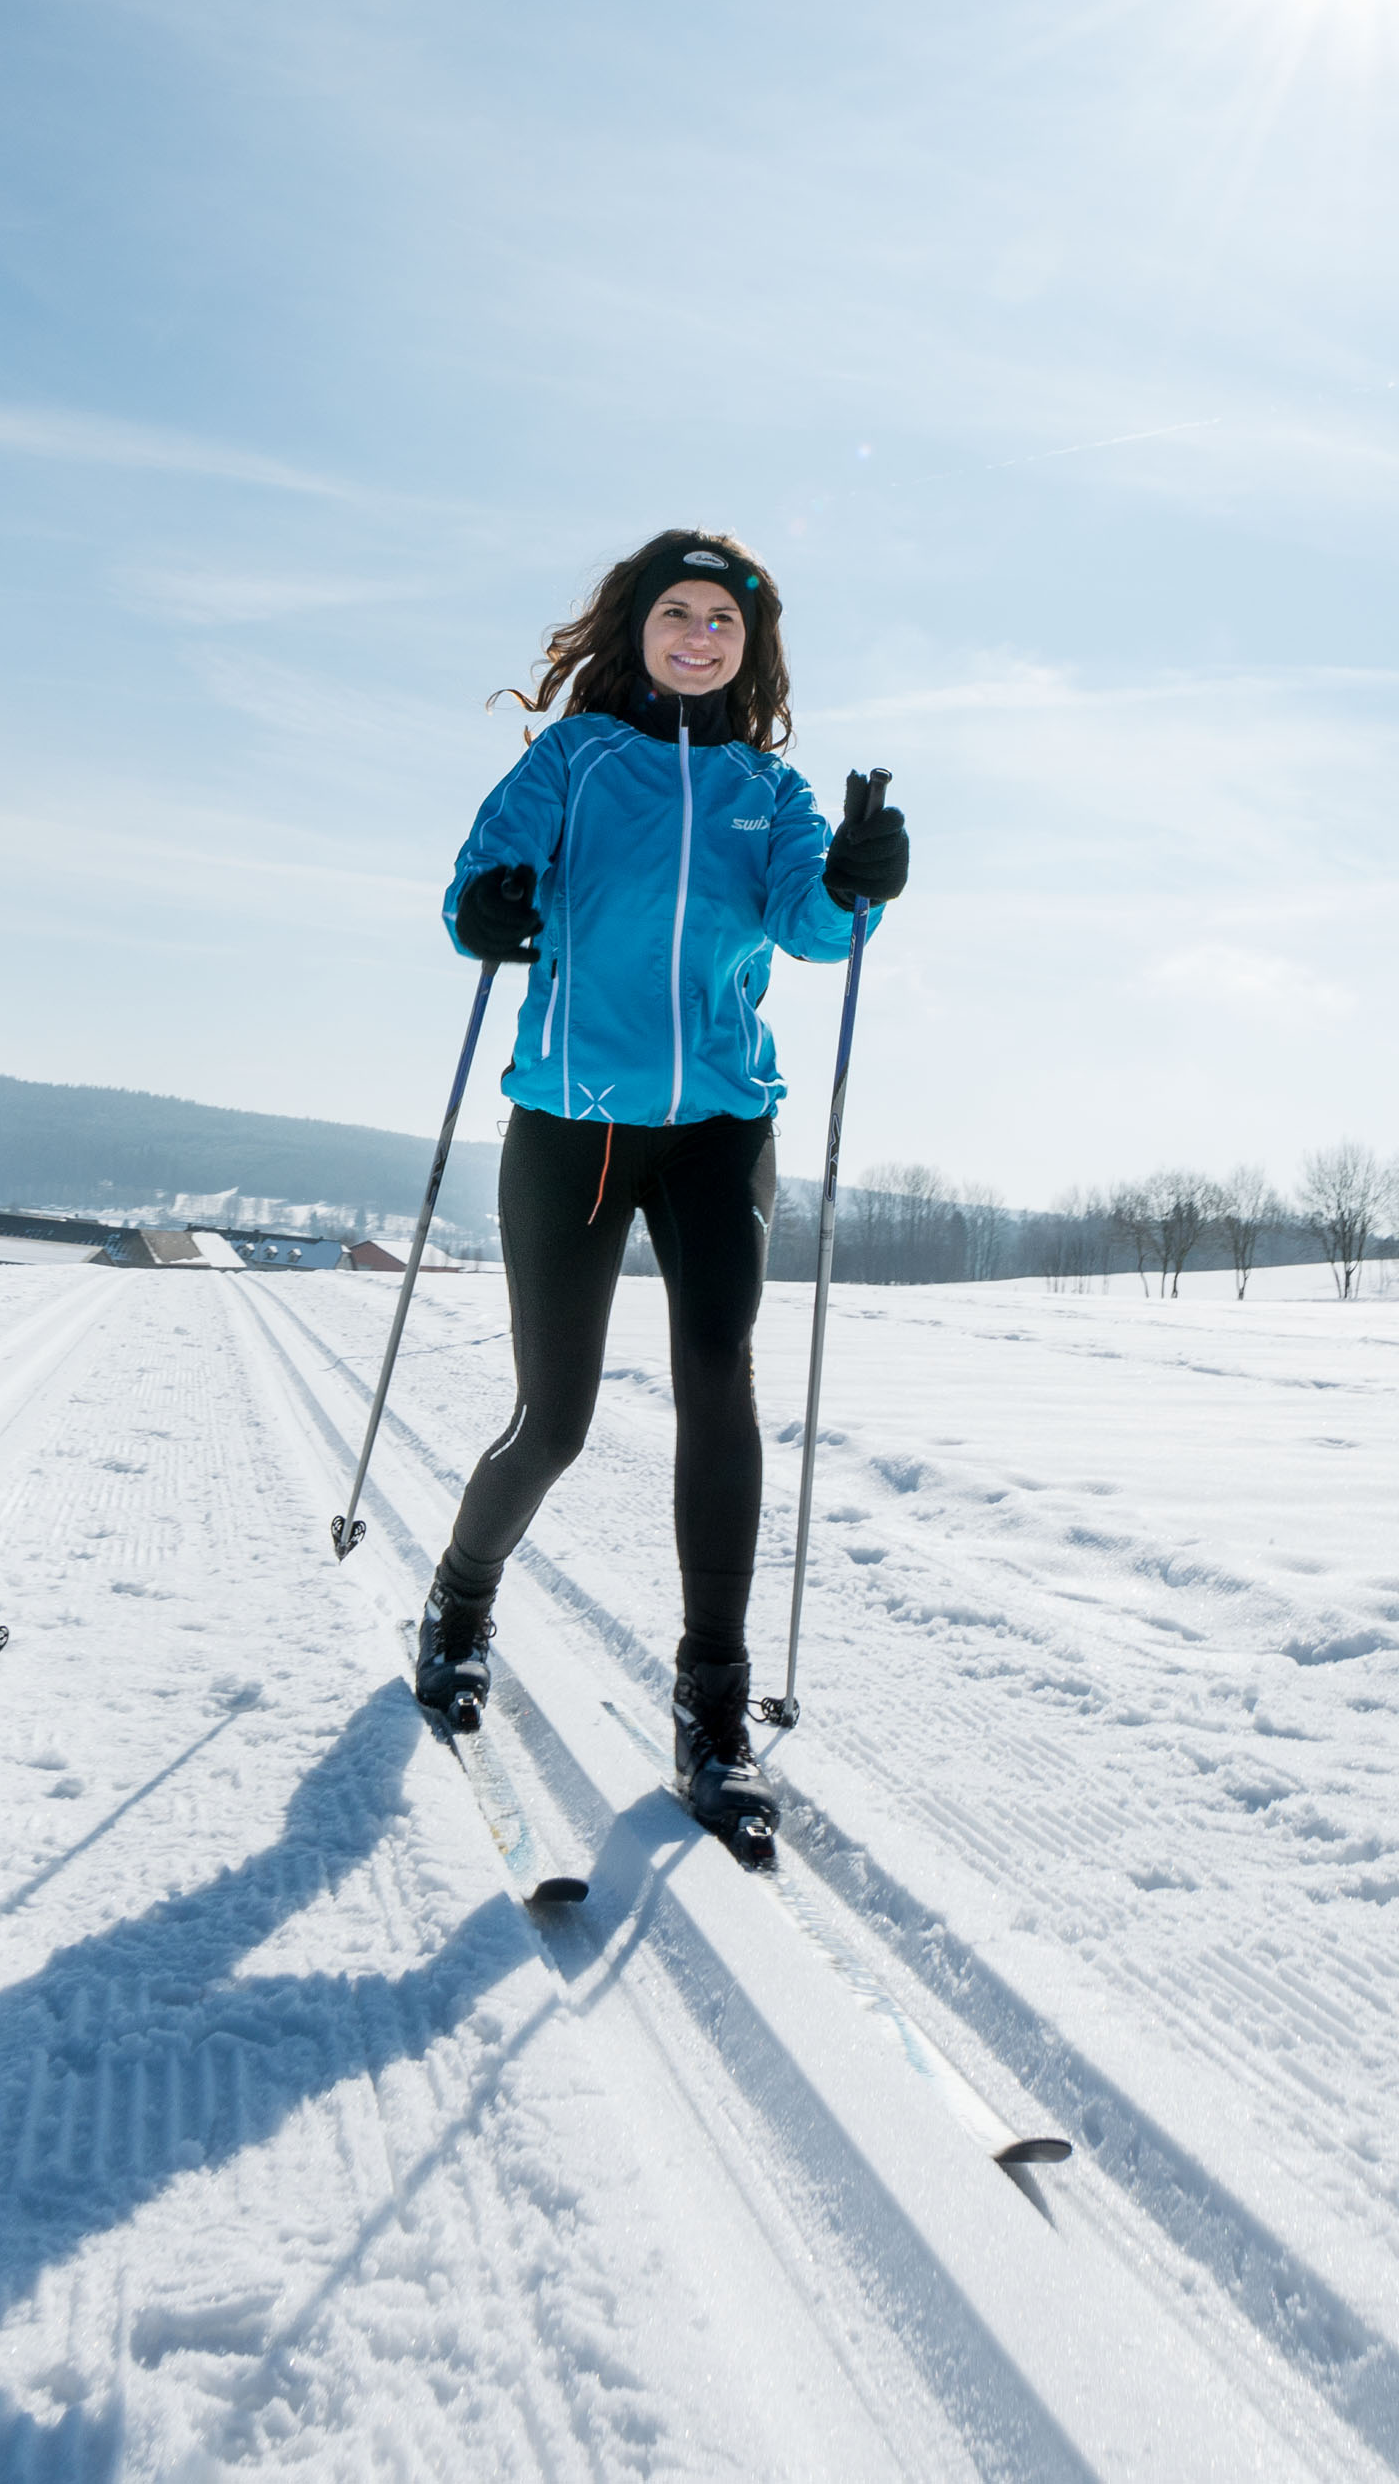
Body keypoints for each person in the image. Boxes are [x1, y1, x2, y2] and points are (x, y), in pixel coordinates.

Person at [412, 529, 910, 1841]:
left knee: (718, 1395)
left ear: (753, 647)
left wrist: (859, 885)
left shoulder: (770, 790)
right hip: (572, 1124)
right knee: (557, 1419)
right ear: (635, 627)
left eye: (723, 622)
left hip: (718, 1131)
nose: (699, 635)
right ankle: (461, 1602)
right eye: (676, 612)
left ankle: (714, 1708)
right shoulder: (572, 760)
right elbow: (479, 882)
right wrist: (490, 907)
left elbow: (814, 920)